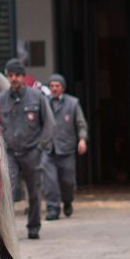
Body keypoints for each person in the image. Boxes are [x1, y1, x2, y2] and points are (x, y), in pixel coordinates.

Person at [0, 58, 55, 239]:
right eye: (11, 75)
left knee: (34, 191)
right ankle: (8, 232)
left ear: (23, 76)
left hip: (31, 152)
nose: (14, 79)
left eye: (17, 75)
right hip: (11, 153)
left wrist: (40, 146)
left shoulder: (37, 97)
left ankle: (34, 226)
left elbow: (49, 124)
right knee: (8, 192)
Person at [41, 73, 87, 220]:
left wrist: (82, 139)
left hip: (66, 149)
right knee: (50, 181)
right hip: (48, 149)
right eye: (52, 86)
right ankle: (53, 208)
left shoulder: (73, 103)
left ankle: (67, 201)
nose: (54, 89)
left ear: (63, 88)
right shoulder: (43, 103)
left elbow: (81, 124)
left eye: (57, 86)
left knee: (67, 182)